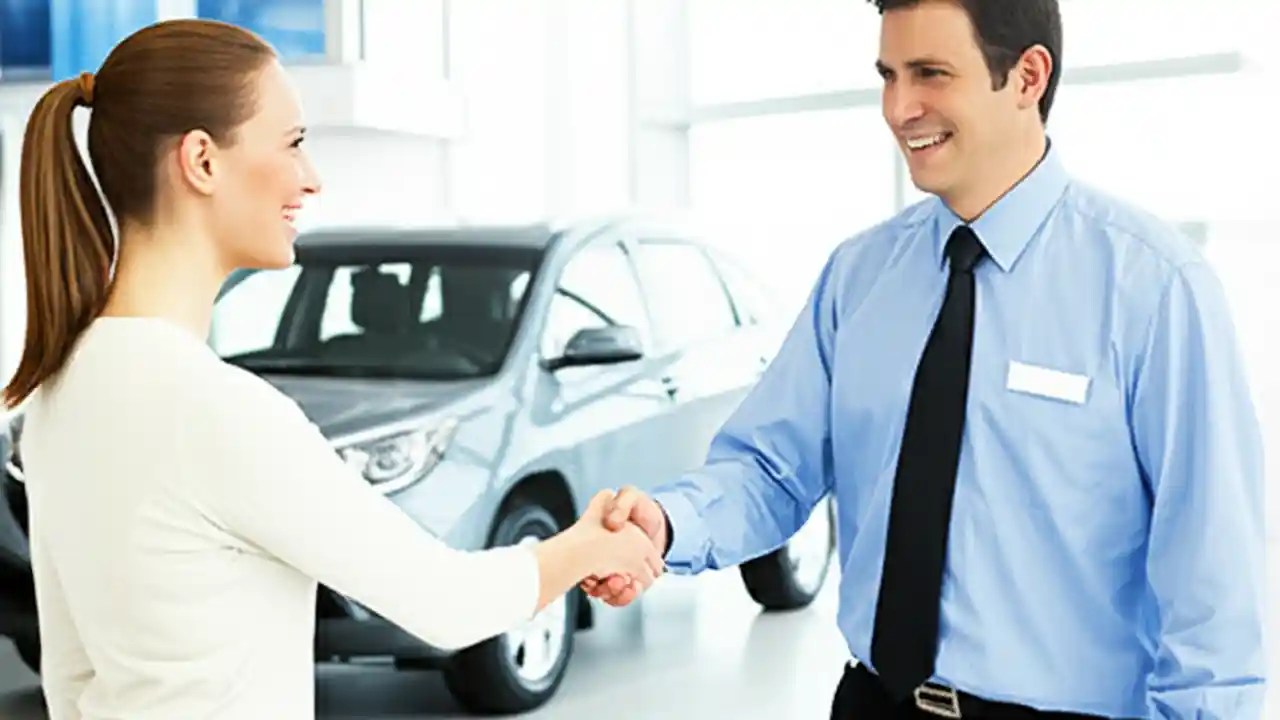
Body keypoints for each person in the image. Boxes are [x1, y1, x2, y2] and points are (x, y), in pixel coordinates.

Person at [585, 0, 1267, 717]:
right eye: (888, 74)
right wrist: (667, 523)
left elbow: (1211, 580)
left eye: (931, 74)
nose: (899, 107)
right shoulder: (859, 276)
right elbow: (771, 467)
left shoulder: (1153, 288)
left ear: (1028, 76)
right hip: (874, 702)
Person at [0, 19, 663, 720]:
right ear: (201, 160)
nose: (311, 179)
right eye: (292, 144)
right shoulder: (217, 409)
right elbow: (446, 601)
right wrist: (592, 544)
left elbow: (69, 675)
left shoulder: (56, 393)